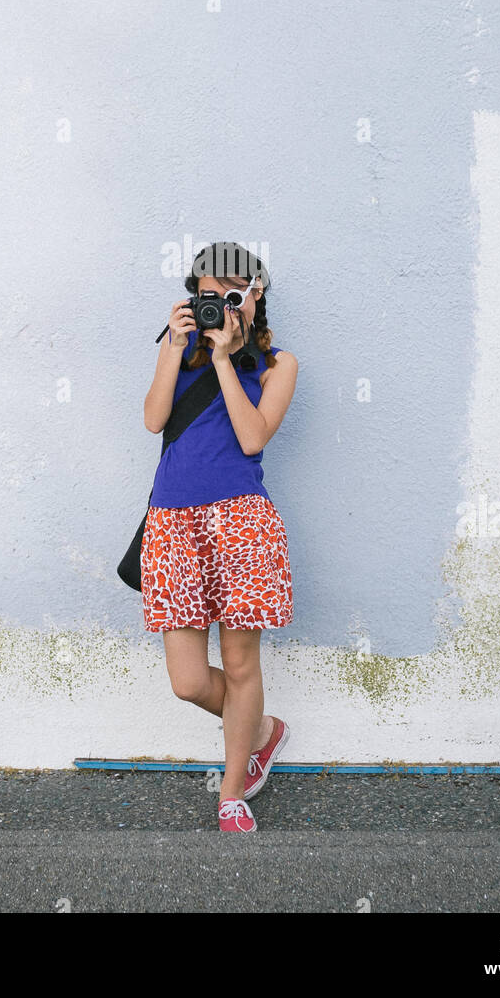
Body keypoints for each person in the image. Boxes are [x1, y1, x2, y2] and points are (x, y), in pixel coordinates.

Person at [141, 242, 298, 833]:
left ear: (256, 298)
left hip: (241, 522)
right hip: (173, 521)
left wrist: (228, 360)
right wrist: (176, 348)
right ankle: (259, 730)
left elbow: (253, 437)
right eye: (210, 296)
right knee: (187, 680)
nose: (223, 307)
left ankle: (232, 792)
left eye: (235, 296)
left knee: (238, 664)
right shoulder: (176, 351)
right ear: (193, 298)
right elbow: (154, 419)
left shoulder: (279, 365)